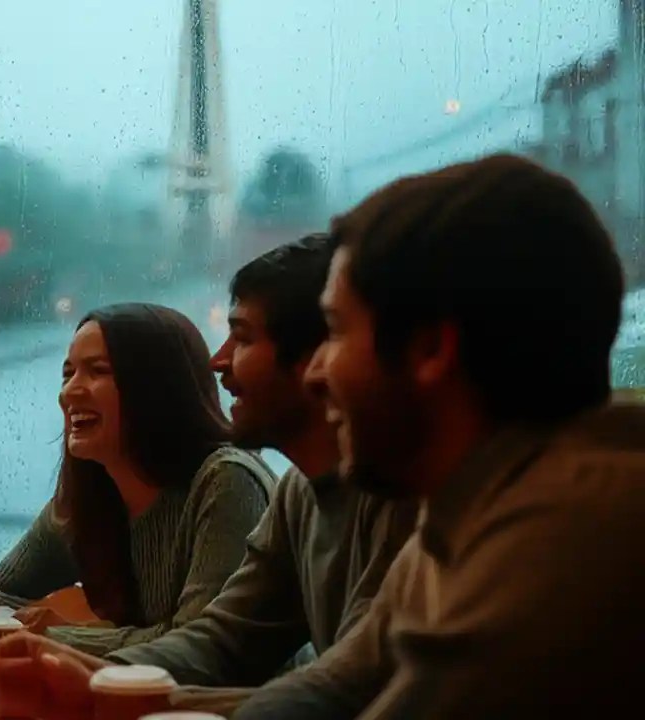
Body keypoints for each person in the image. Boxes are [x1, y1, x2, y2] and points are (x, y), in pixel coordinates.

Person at [234, 154, 645, 719]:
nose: (314, 373)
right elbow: (336, 689)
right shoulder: (469, 500)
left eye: (335, 331)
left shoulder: (570, 527)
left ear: (430, 348)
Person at [0, 236, 418, 718]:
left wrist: (97, 682)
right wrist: (95, 678)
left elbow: (348, 694)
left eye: (242, 338)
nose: (218, 360)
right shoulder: (300, 492)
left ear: (315, 358)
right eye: (68, 374)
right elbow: (222, 640)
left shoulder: (405, 498)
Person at [0, 303, 278, 660]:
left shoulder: (228, 481)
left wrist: (55, 638)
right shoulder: (87, 499)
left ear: (157, 387)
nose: (69, 392)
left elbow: (197, 647)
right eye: (68, 374)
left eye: (98, 371)